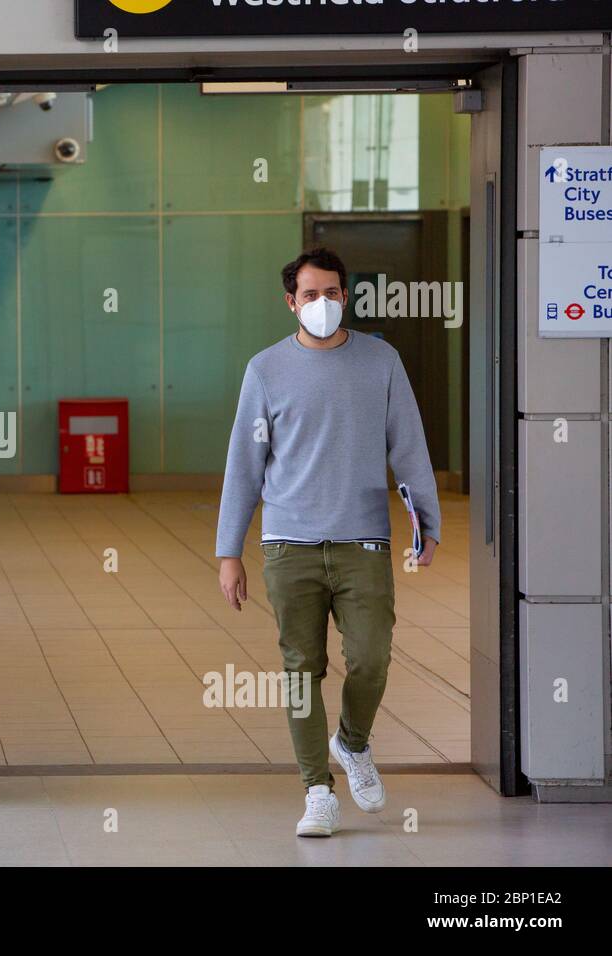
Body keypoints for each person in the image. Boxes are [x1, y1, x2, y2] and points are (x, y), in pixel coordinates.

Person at [214, 247, 441, 837]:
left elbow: (409, 446)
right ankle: (317, 790)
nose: (323, 304)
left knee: (371, 658)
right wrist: (227, 551)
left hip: (362, 540)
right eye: (311, 295)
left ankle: (352, 742)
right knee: (299, 670)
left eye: (333, 293)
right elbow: (245, 462)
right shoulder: (265, 369)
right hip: (288, 544)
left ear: (347, 296)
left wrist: (428, 523)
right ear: (291, 302)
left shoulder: (380, 361)